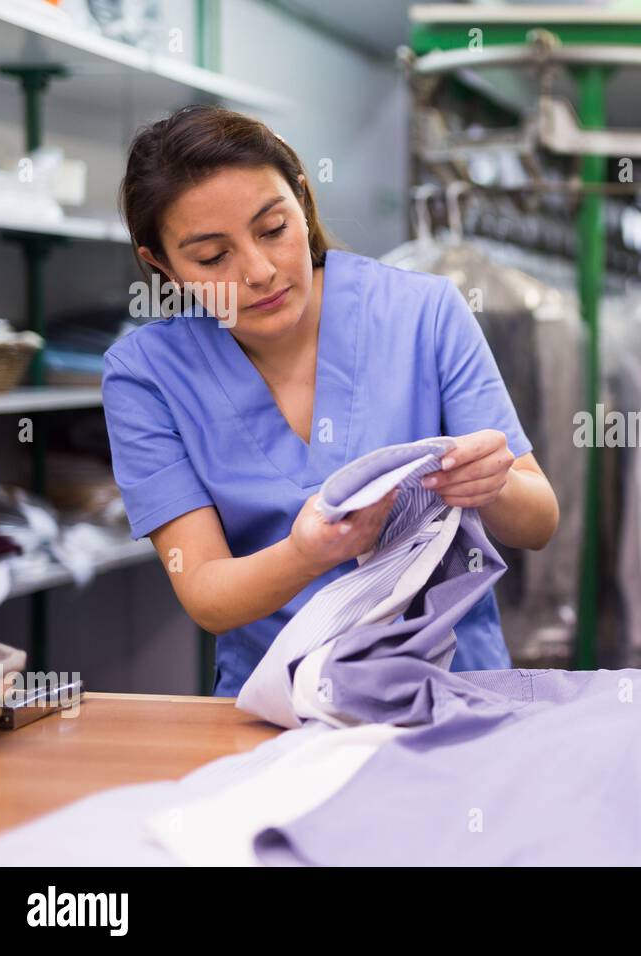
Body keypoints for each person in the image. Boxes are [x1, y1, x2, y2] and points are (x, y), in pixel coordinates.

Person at [102, 106, 558, 696]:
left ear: (303, 200)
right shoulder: (145, 376)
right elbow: (206, 591)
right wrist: (303, 555)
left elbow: (539, 521)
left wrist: (493, 485)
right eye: (213, 258)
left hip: (455, 689)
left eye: (273, 229)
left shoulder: (425, 312)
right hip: (278, 704)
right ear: (159, 263)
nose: (260, 272)